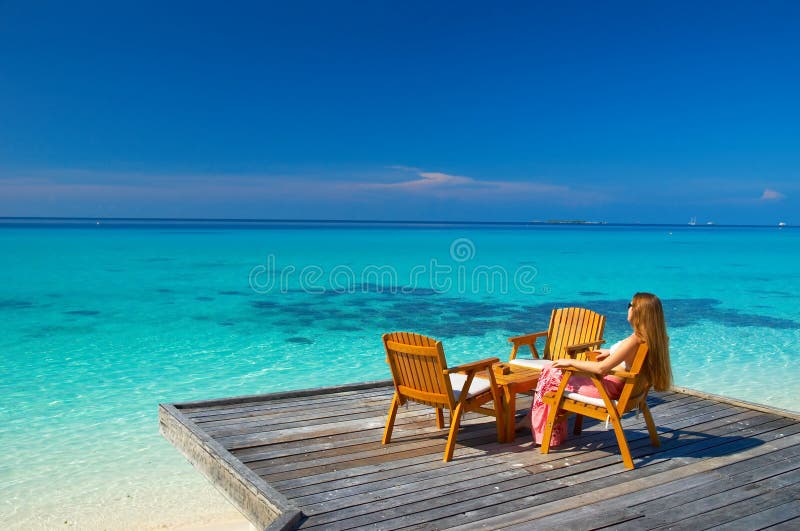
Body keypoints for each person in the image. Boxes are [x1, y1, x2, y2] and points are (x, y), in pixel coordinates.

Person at [521, 292, 673, 446]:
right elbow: (628, 358)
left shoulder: (634, 340)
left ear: (638, 312)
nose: (628, 308)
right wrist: (610, 351)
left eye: (630, 305)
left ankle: (543, 430)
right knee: (553, 374)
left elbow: (601, 368)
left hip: (605, 390)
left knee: (550, 371)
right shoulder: (652, 339)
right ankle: (536, 421)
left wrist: (570, 362)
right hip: (621, 390)